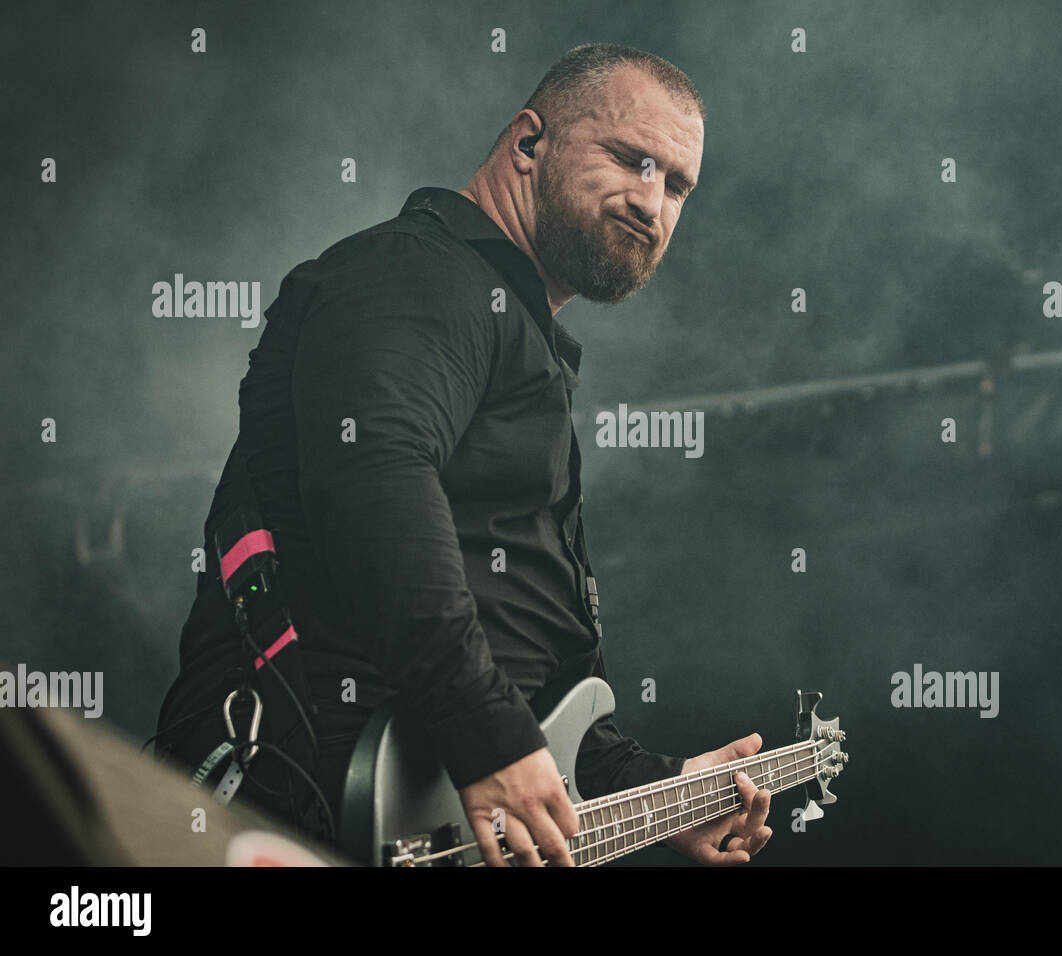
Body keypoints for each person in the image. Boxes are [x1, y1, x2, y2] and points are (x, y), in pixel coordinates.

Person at [154, 42, 772, 867]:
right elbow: (373, 479)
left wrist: (664, 791)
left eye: (678, 184)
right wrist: (488, 736)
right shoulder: (418, 272)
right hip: (296, 802)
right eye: (633, 159)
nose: (652, 201)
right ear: (527, 144)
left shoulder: (521, 338)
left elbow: (535, 679)